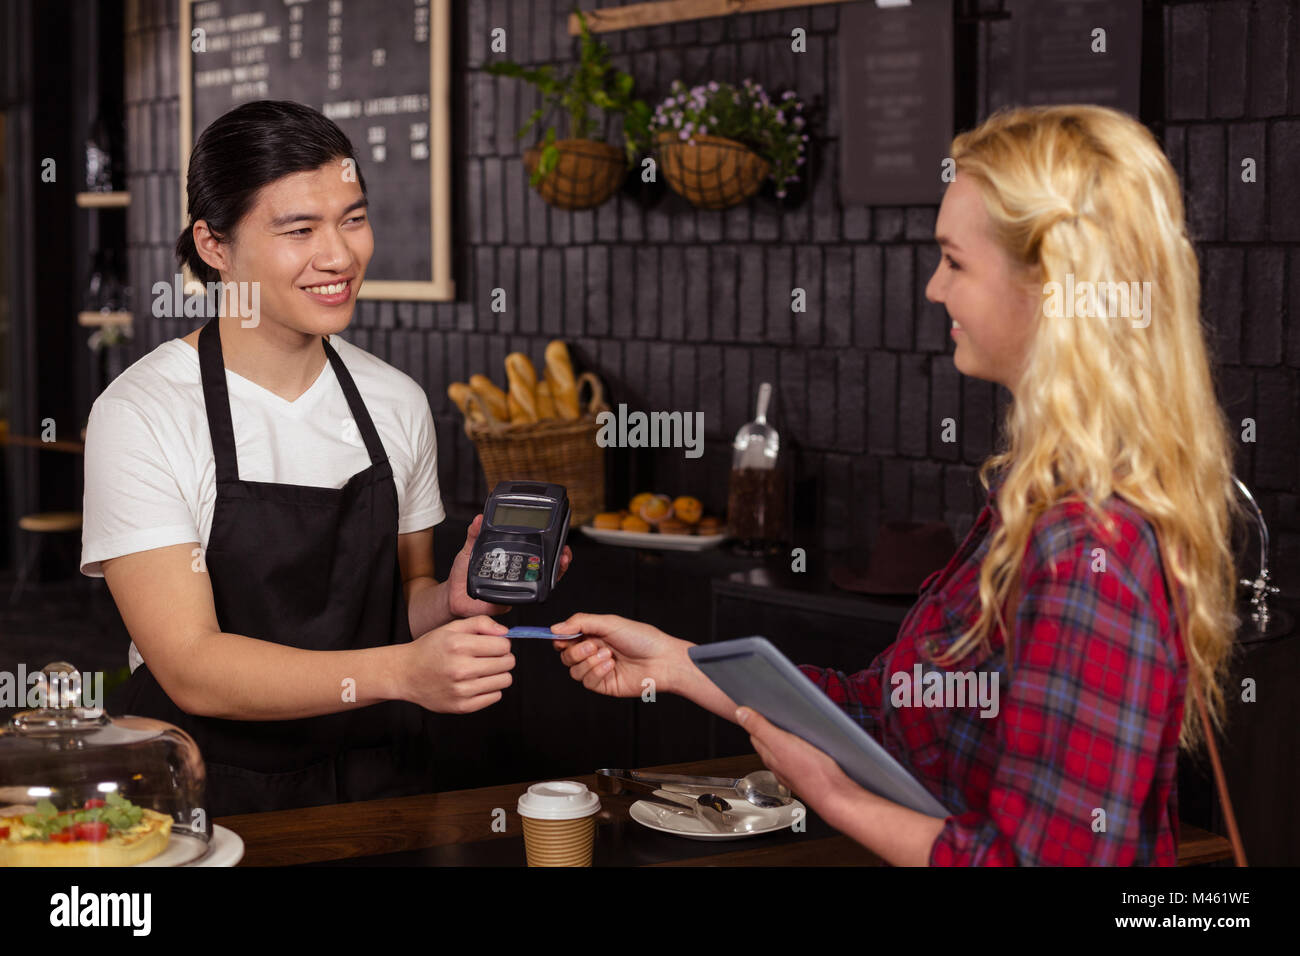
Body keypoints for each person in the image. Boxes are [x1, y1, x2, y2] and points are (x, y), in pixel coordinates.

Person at [551, 104, 1242, 866]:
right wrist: (679, 665)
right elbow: (890, 712)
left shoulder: (1090, 543)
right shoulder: (1035, 498)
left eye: (955, 261)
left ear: (1051, 284)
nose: (932, 289)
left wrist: (837, 797)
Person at [82, 101, 564, 816]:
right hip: (204, 796)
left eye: (353, 217)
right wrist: (405, 672)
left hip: (380, 788)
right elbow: (192, 667)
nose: (338, 255)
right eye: (299, 229)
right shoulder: (142, 413)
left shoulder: (394, 402)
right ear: (213, 245)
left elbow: (404, 601)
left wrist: (452, 602)